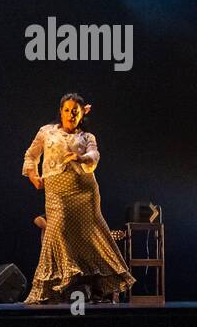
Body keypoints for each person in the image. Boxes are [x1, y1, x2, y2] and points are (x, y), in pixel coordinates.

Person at [22, 93, 134, 304]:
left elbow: (94, 156)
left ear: (83, 113)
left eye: (75, 111)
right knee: (59, 230)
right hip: (55, 192)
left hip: (84, 191)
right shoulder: (46, 132)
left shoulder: (87, 137)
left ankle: (94, 286)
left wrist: (80, 157)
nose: (70, 114)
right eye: (67, 110)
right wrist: (33, 175)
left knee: (89, 235)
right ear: (60, 111)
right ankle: (56, 286)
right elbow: (31, 155)